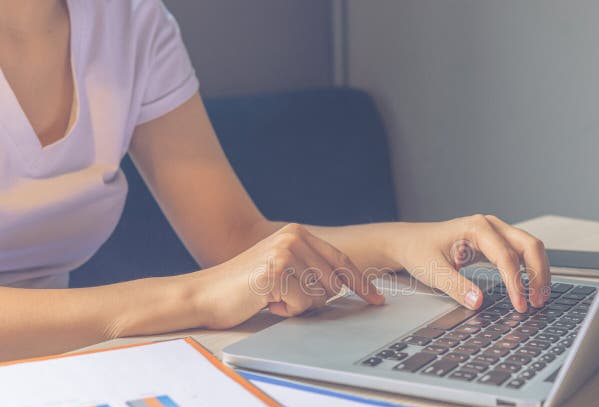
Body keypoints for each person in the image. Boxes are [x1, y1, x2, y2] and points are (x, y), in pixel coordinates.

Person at [0, 0, 550, 359]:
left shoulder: (132, 24)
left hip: (61, 369)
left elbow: (236, 238)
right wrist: (194, 296)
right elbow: (215, 280)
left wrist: (402, 243)